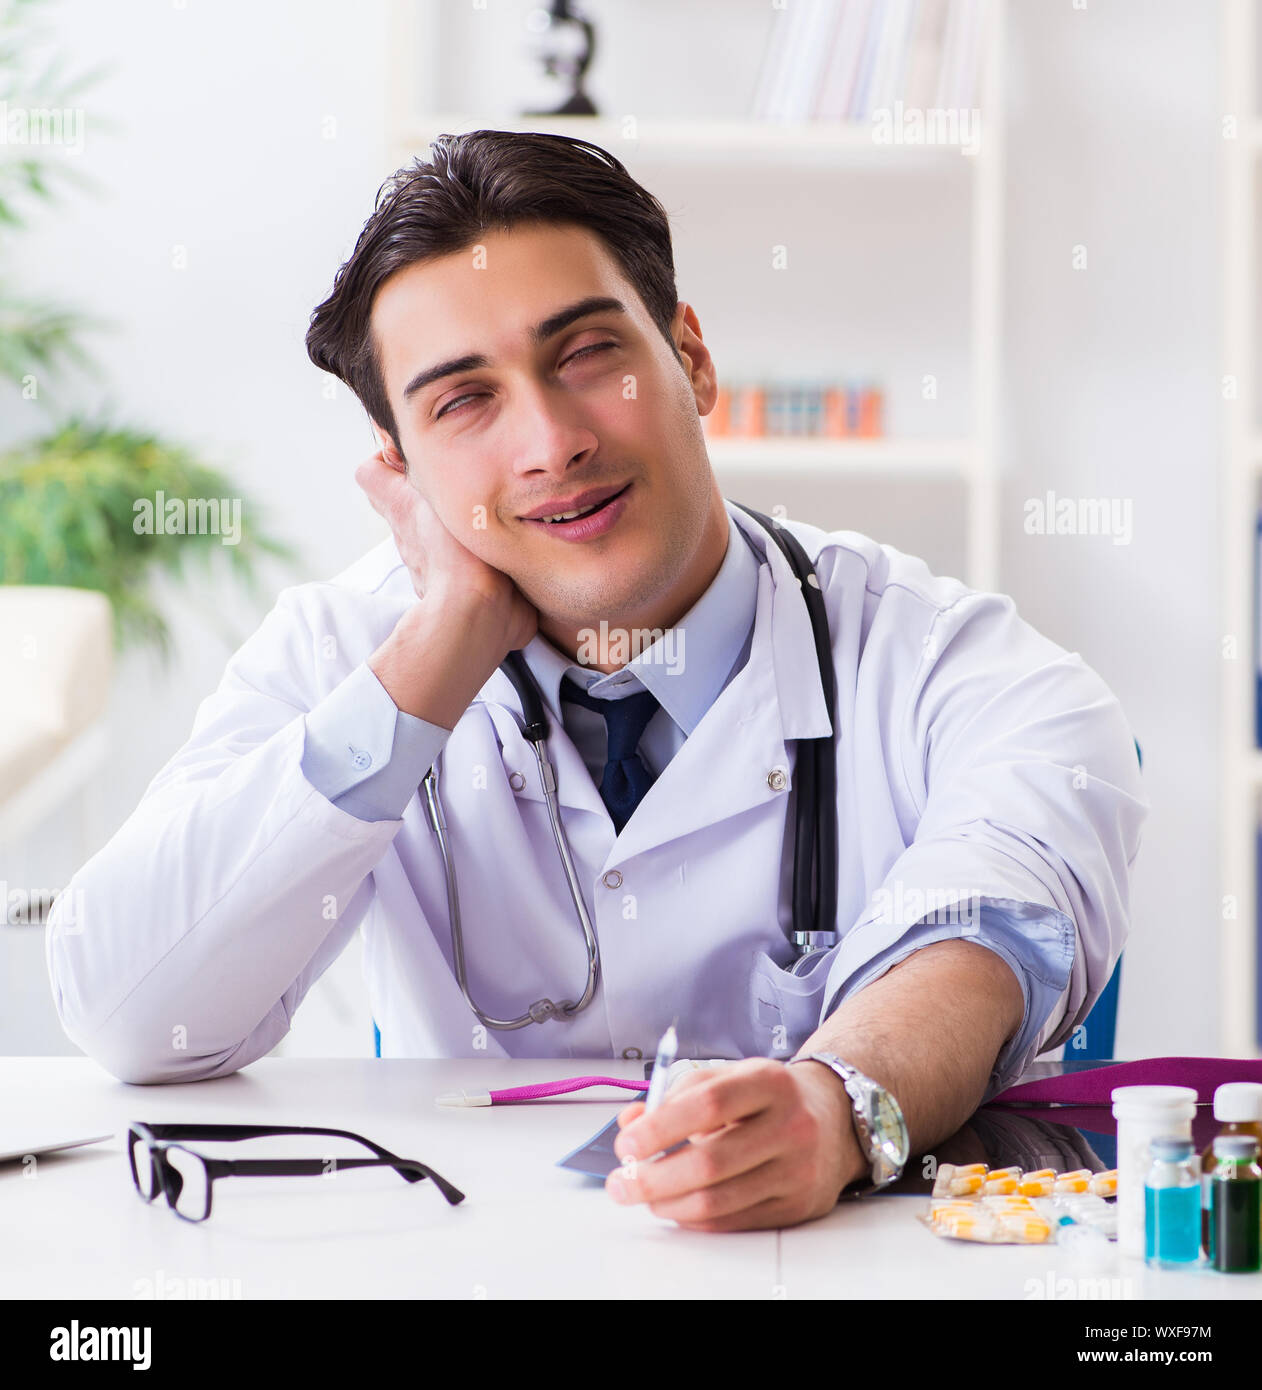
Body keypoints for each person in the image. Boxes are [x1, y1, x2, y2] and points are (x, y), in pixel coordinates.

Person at [46, 130, 1148, 1233]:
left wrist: (837, 1106)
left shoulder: (951, 664)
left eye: (584, 354)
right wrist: (431, 659)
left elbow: (988, 928)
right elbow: (134, 1015)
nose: (551, 441)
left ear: (692, 359)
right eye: (461, 403)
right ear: (400, 472)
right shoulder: (348, 657)